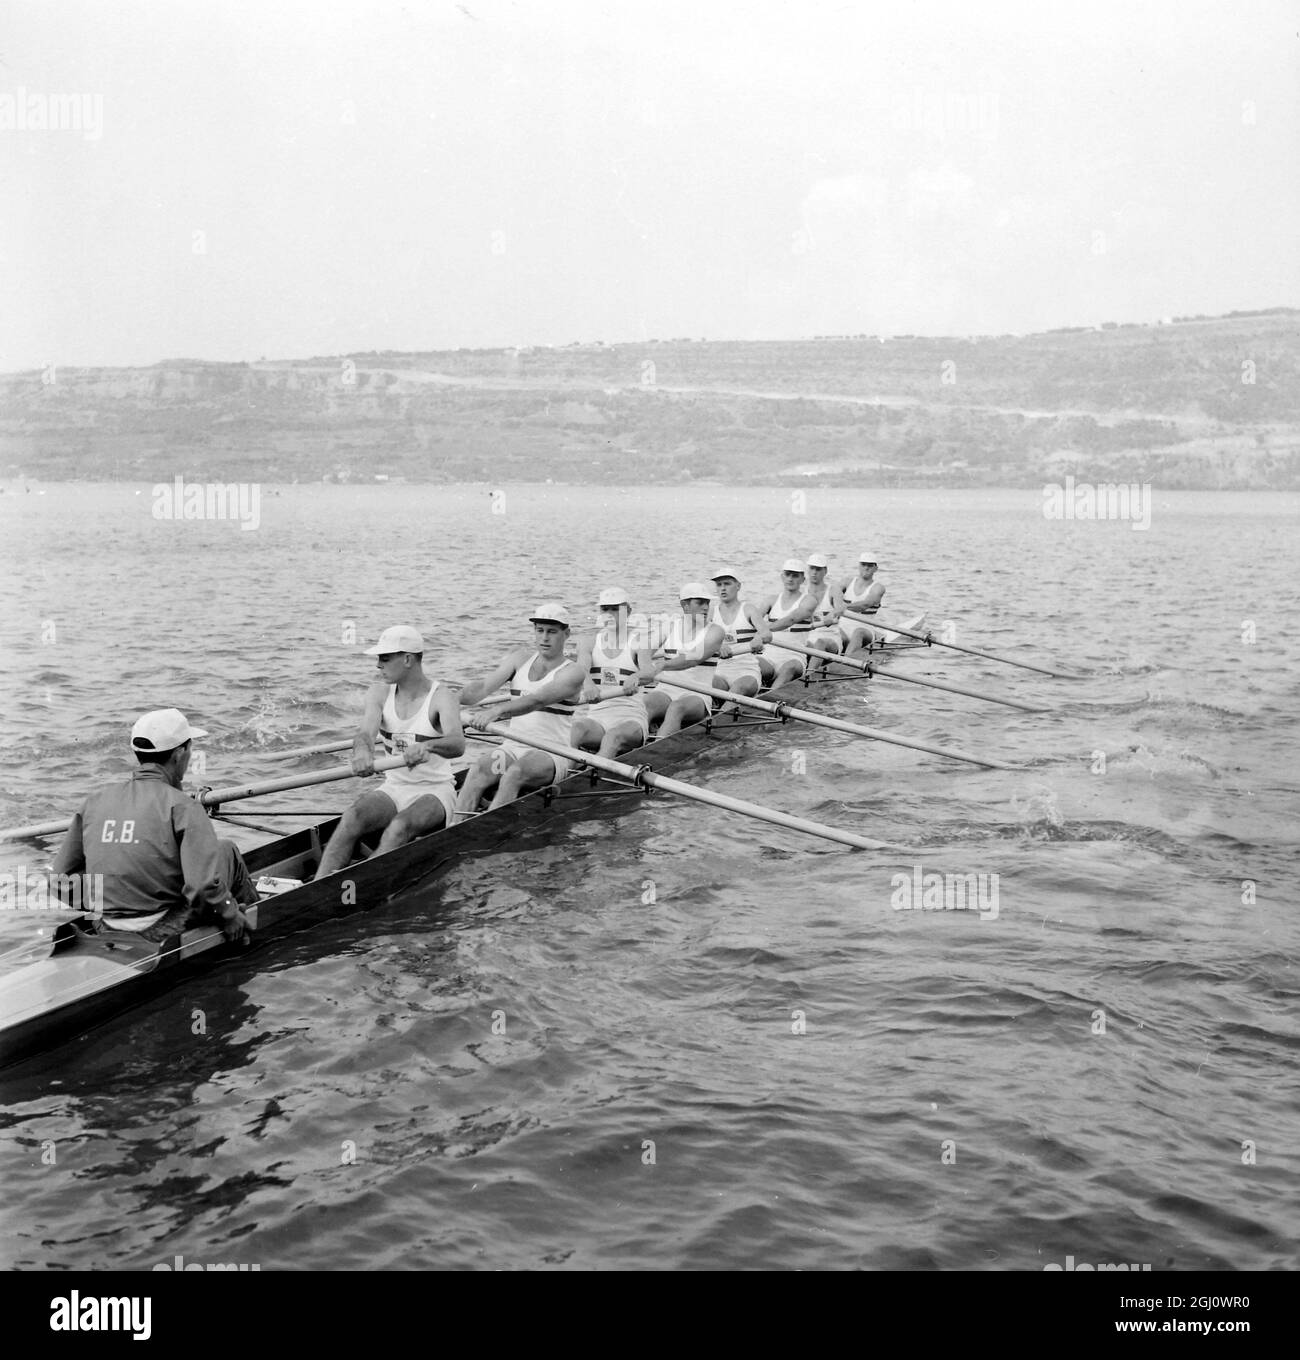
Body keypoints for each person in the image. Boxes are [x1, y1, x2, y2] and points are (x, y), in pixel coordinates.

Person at [50, 708, 256, 943]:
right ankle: (251, 929)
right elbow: (201, 888)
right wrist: (229, 914)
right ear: (180, 753)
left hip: (104, 923)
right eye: (191, 748)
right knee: (226, 849)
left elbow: (60, 880)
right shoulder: (184, 807)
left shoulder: (94, 801)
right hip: (163, 927)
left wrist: (108, 902)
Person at [314, 626, 465, 878]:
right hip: (394, 788)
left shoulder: (442, 697)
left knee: (398, 827)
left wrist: (428, 745)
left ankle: (360, 884)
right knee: (352, 816)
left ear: (407, 659)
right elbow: (365, 733)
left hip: (435, 790)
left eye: (384, 658)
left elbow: (457, 743)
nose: (377, 665)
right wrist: (362, 753)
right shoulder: (379, 692)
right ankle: (320, 885)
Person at [456, 603, 586, 813]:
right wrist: (453, 701)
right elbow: (481, 688)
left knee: (514, 773)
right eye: (540, 630)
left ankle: (488, 826)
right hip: (513, 747)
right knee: (478, 769)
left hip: (552, 753)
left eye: (552, 632)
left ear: (566, 633)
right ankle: (454, 826)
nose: (544, 638)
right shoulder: (519, 659)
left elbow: (536, 700)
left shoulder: (573, 672)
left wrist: (496, 710)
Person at [571, 587, 657, 758]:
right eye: (605, 609)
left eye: (615, 609)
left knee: (612, 737)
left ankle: (590, 778)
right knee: (575, 730)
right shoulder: (588, 642)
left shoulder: (639, 641)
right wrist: (587, 683)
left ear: (629, 611)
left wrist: (636, 676)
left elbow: (649, 672)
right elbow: (581, 668)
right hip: (597, 718)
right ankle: (564, 773)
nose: (609, 614)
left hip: (631, 719)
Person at [643, 583, 726, 737]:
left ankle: (656, 751)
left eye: (707, 602)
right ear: (685, 605)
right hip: (666, 690)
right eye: (700, 603)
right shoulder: (669, 626)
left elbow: (692, 659)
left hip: (697, 694)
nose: (706, 608)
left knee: (676, 708)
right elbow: (644, 650)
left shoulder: (716, 631)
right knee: (644, 704)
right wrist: (644, 666)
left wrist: (662, 665)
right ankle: (631, 747)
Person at [755, 559, 818, 687]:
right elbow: (752, 621)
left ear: (803, 579)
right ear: (782, 577)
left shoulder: (809, 600)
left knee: (789, 668)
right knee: (751, 664)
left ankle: (769, 698)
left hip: (794, 657)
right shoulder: (770, 600)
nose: (790, 579)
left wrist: (766, 629)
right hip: (768, 656)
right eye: (788, 574)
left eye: (795, 575)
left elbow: (791, 619)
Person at [707, 567, 769, 698]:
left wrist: (758, 638)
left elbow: (767, 634)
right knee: (703, 685)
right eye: (719, 585)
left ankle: (722, 712)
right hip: (719, 671)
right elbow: (701, 640)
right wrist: (717, 646)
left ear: (738, 586)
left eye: (727, 583)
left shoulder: (748, 609)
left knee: (738, 689)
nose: (722, 588)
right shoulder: (711, 613)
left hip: (746, 671)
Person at [839, 553, 887, 652]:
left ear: (876, 568)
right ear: (859, 566)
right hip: (842, 628)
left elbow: (864, 605)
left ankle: (846, 663)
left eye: (870, 565)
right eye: (863, 565)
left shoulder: (878, 588)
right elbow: (831, 594)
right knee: (829, 631)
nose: (866, 568)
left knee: (858, 632)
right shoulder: (846, 582)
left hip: (865, 630)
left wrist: (844, 606)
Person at [805, 553, 848, 659]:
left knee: (820, 643)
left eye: (818, 569)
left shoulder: (833, 590)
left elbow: (841, 607)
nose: (814, 572)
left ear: (825, 571)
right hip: (808, 638)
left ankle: (810, 674)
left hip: (830, 638)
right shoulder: (801, 592)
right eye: (812, 568)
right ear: (808, 570)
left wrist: (833, 613)